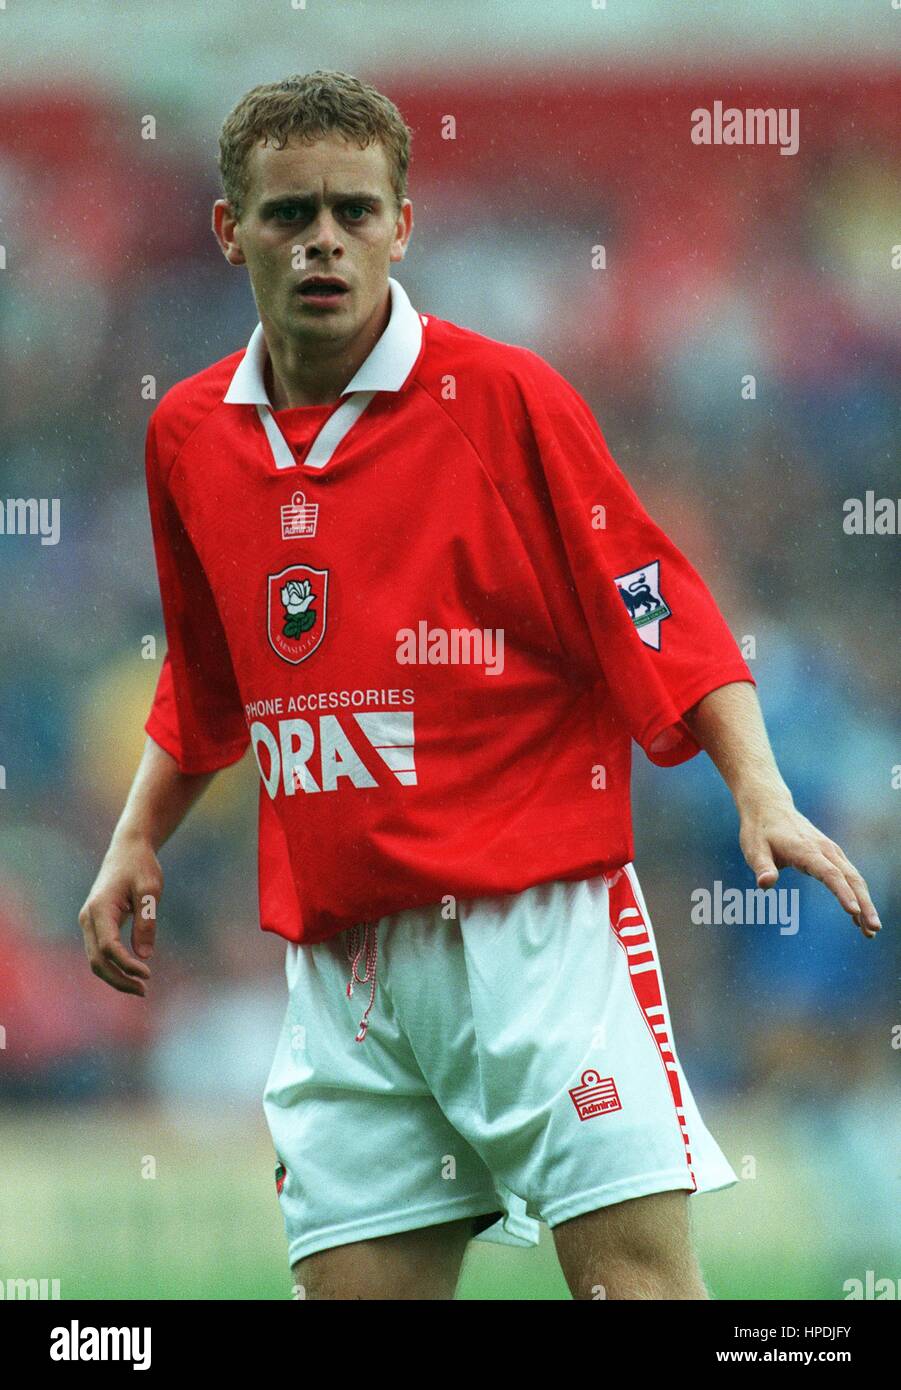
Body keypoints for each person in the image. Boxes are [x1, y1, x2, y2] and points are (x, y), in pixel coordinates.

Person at [79, 70, 881, 1301]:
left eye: (354, 210)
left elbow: (654, 598)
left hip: (535, 933)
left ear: (404, 225)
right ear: (230, 229)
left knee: (640, 1295)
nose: (324, 241)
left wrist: (757, 787)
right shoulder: (187, 433)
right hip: (341, 969)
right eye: (291, 214)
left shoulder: (500, 399)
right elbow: (207, 673)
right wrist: (137, 836)